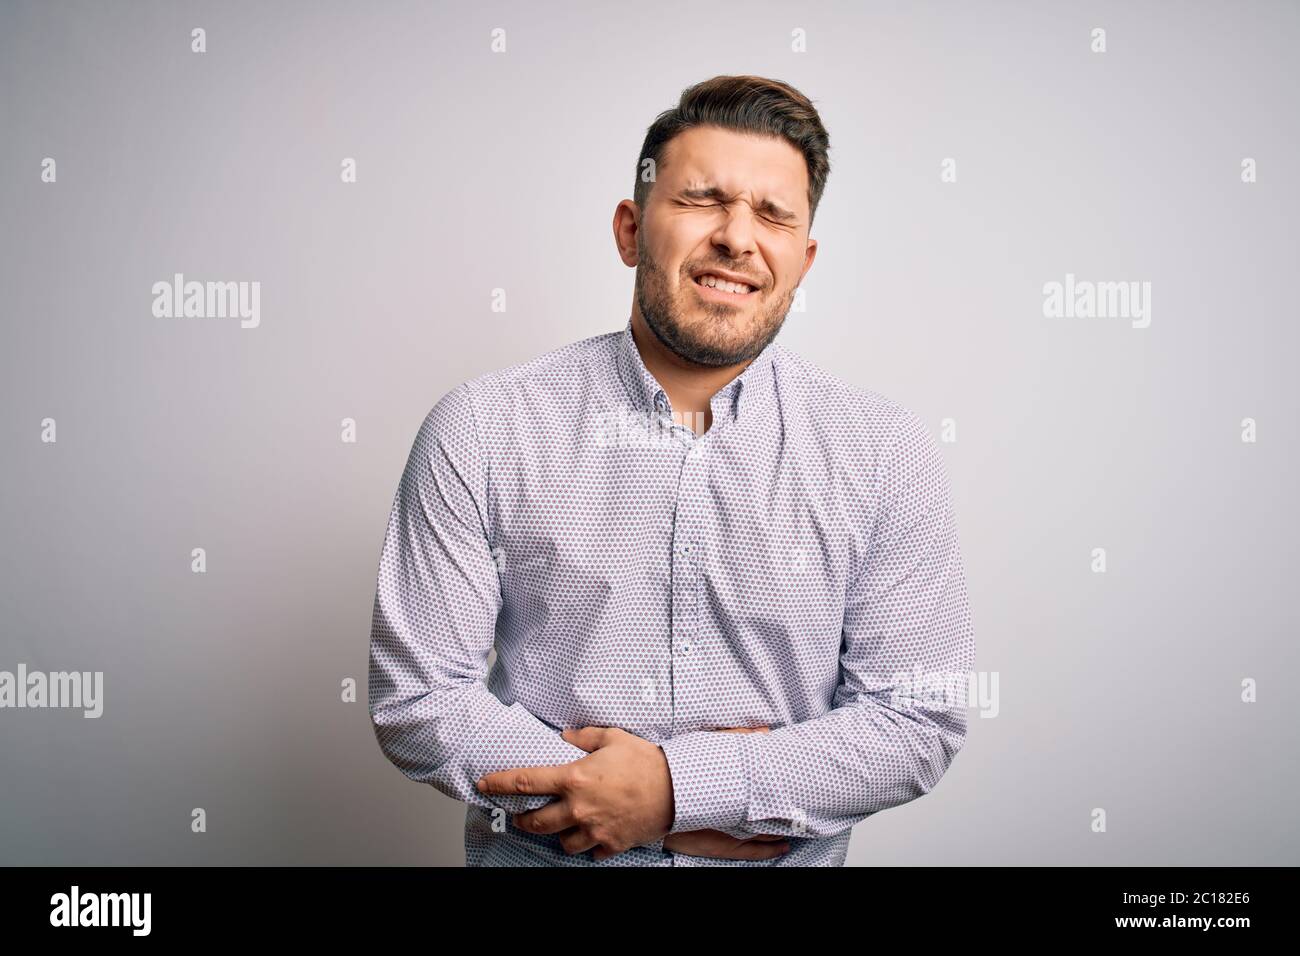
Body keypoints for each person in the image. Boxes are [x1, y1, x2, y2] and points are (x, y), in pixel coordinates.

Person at [368, 74, 975, 866]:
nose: (736, 237)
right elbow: (421, 696)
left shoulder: (885, 453)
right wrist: (621, 797)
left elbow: (916, 720)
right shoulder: (482, 428)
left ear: (804, 259)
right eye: (701, 200)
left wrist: (672, 791)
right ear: (630, 229)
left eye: (773, 215)